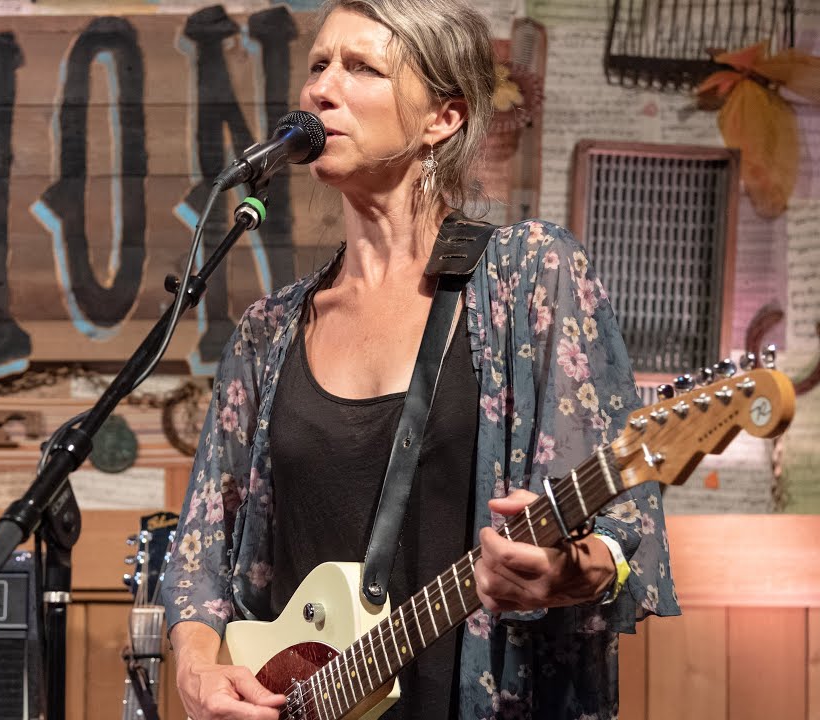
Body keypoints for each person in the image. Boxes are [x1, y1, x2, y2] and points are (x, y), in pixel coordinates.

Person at [158, 0, 680, 718]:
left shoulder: (531, 275)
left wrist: (565, 572)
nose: (320, 89)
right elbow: (201, 554)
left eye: (361, 66)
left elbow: (625, 528)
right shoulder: (267, 330)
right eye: (318, 65)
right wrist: (194, 669)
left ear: (444, 117)